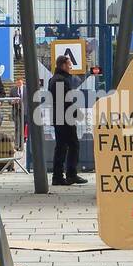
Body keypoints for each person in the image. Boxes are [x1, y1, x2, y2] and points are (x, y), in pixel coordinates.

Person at [48, 54, 87, 185]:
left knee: (61, 147)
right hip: (65, 118)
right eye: (69, 64)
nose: (71, 67)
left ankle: (58, 176)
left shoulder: (55, 79)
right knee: (73, 145)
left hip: (60, 118)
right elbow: (65, 101)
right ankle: (70, 174)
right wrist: (76, 113)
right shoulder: (60, 80)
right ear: (63, 65)